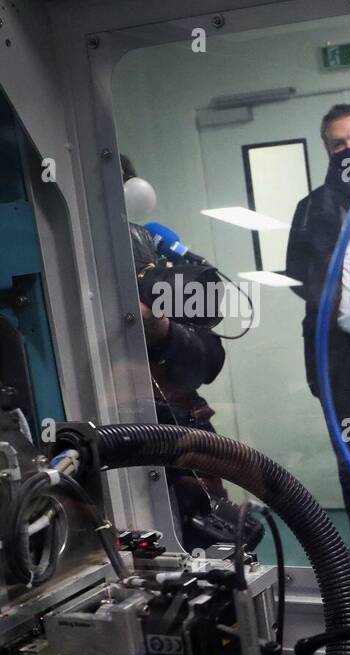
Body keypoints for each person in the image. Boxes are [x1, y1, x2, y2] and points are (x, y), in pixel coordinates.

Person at [285, 104, 350, 564]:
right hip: (340, 357)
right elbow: (296, 278)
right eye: (339, 144)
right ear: (327, 148)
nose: (349, 150)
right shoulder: (310, 210)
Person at [124, 157, 233, 553]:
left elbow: (209, 360)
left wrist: (164, 331)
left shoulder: (156, 252)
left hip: (182, 439)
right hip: (111, 446)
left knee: (214, 553)